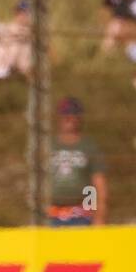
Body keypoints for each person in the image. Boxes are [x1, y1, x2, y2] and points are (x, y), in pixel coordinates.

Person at [47, 97, 107, 226]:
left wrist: (99, 218)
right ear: (59, 117)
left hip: (82, 216)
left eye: (74, 114)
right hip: (52, 216)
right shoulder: (48, 146)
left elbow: (99, 184)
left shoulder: (88, 147)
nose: (70, 119)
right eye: (66, 115)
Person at [0, 0, 34, 80]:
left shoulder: (31, 31)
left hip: (21, 63)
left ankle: (7, 69)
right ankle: (1, 69)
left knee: (18, 44)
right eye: (19, 13)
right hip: (5, 60)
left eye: (25, 13)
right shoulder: (9, 26)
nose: (21, 16)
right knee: (2, 43)